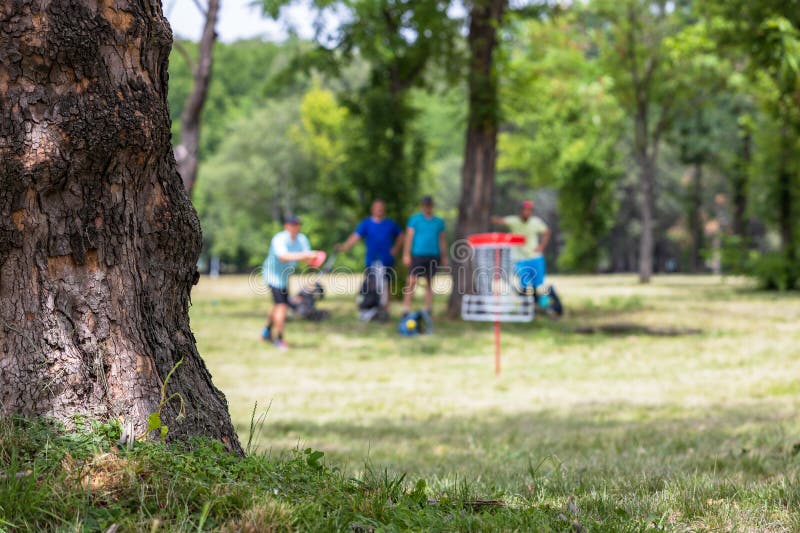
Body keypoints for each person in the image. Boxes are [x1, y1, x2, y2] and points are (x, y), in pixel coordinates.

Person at [336, 199, 404, 316]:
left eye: (381, 207)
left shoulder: (389, 224)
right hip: (371, 260)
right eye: (377, 207)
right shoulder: (366, 223)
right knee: (369, 285)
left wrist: (396, 249)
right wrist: (346, 246)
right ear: (372, 209)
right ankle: (368, 308)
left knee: (386, 286)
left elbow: (401, 235)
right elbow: (356, 236)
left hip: (386, 259)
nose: (379, 209)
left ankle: (385, 311)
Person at [262, 215, 320, 350]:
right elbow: (283, 257)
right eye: (293, 224)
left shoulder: (302, 239)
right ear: (286, 226)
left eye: (298, 224)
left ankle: (266, 332)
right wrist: (305, 255)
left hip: (284, 276)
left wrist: (314, 258)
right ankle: (280, 339)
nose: (296, 227)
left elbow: (307, 259)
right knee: (282, 306)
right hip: (271, 275)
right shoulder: (279, 238)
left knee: (278, 305)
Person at [491, 199, 552, 302]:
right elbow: (500, 221)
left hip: (535, 257)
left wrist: (542, 246)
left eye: (529, 210)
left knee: (539, 285)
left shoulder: (535, 222)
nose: (527, 212)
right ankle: (527, 307)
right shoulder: (514, 221)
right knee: (524, 286)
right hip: (520, 259)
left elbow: (547, 232)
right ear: (521, 211)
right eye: (525, 210)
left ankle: (544, 306)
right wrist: (492, 217)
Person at [402, 195, 448, 316]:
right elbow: (408, 238)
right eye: (425, 205)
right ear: (422, 206)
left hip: (433, 255)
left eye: (429, 205)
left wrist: (444, 257)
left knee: (429, 282)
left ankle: (428, 309)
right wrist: (406, 254)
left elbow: (442, 240)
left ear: (432, 206)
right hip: (418, 254)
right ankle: (406, 308)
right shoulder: (415, 220)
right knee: (411, 281)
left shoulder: (439, 222)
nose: (427, 207)